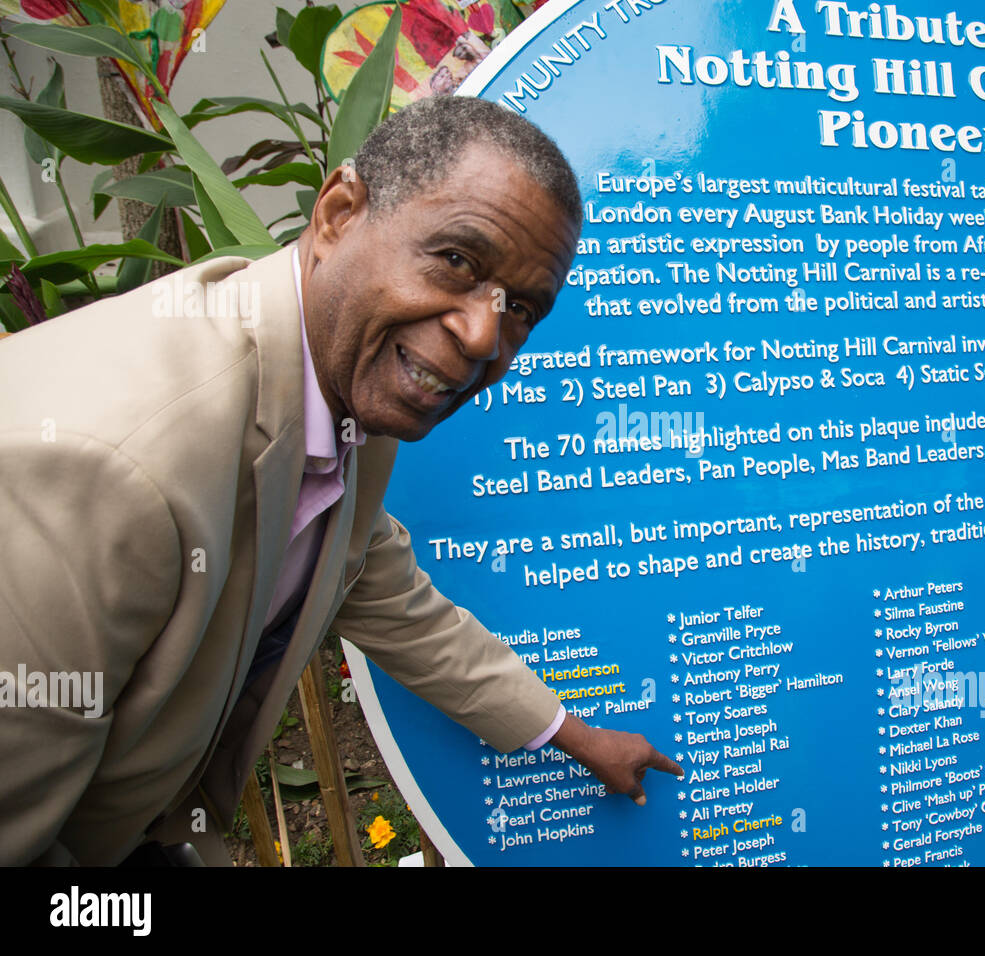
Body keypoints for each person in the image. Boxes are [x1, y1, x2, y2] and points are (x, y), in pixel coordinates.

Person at [0, 95, 680, 866]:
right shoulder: (105, 470)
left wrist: (575, 736)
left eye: (520, 307)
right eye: (456, 259)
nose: (483, 335)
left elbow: (382, 592)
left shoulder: (340, 386)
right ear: (338, 213)